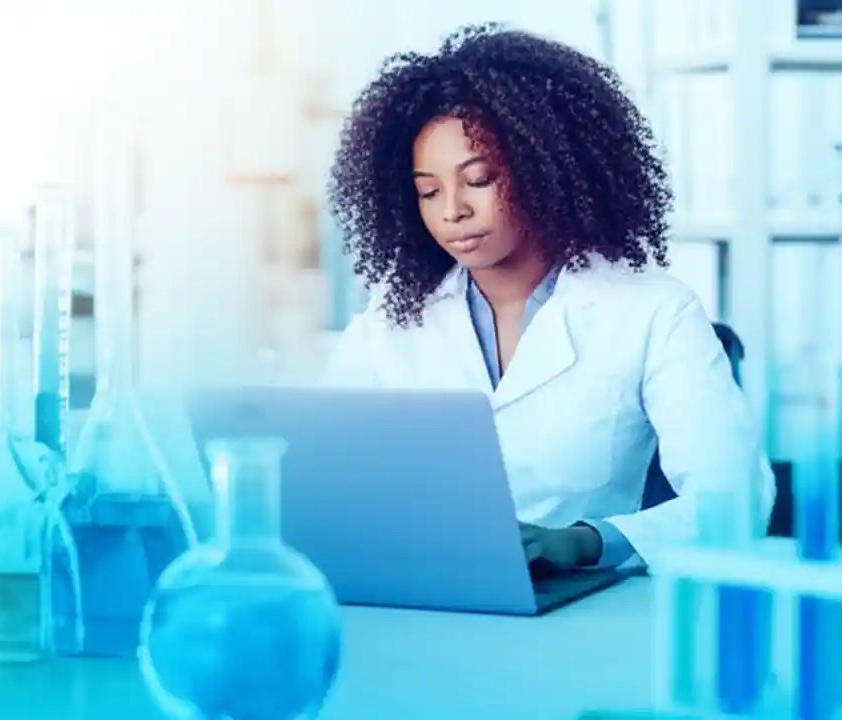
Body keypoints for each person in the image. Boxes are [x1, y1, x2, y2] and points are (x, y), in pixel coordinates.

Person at [321, 24, 774, 571]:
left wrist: (584, 542)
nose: (453, 210)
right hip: (427, 595)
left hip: (582, 612)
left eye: (480, 179)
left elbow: (737, 501)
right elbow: (325, 476)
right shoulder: (392, 319)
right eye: (429, 190)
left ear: (546, 169)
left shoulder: (652, 310)